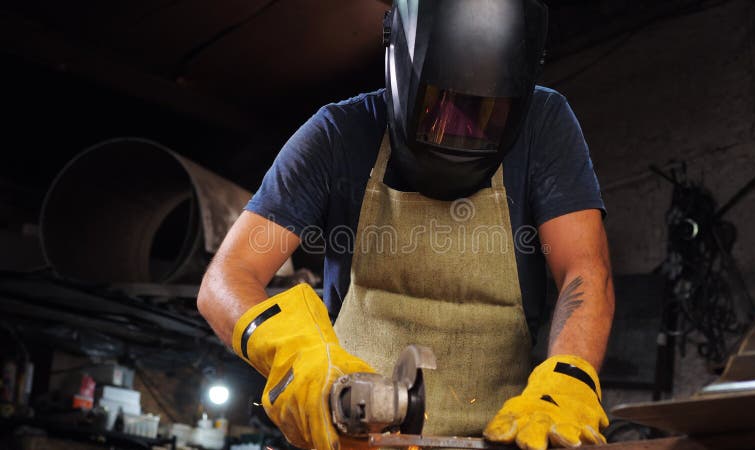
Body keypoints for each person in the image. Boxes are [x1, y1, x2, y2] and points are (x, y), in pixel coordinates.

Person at [197, 1, 615, 450]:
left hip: (503, 437)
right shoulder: (337, 134)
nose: (462, 127)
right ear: (403, 73)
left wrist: (569, 377)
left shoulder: (544, 125)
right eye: (440, 108)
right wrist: (294, 355)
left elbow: (584, 269)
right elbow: (227, 277)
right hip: (356, 438)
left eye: (487, 114)